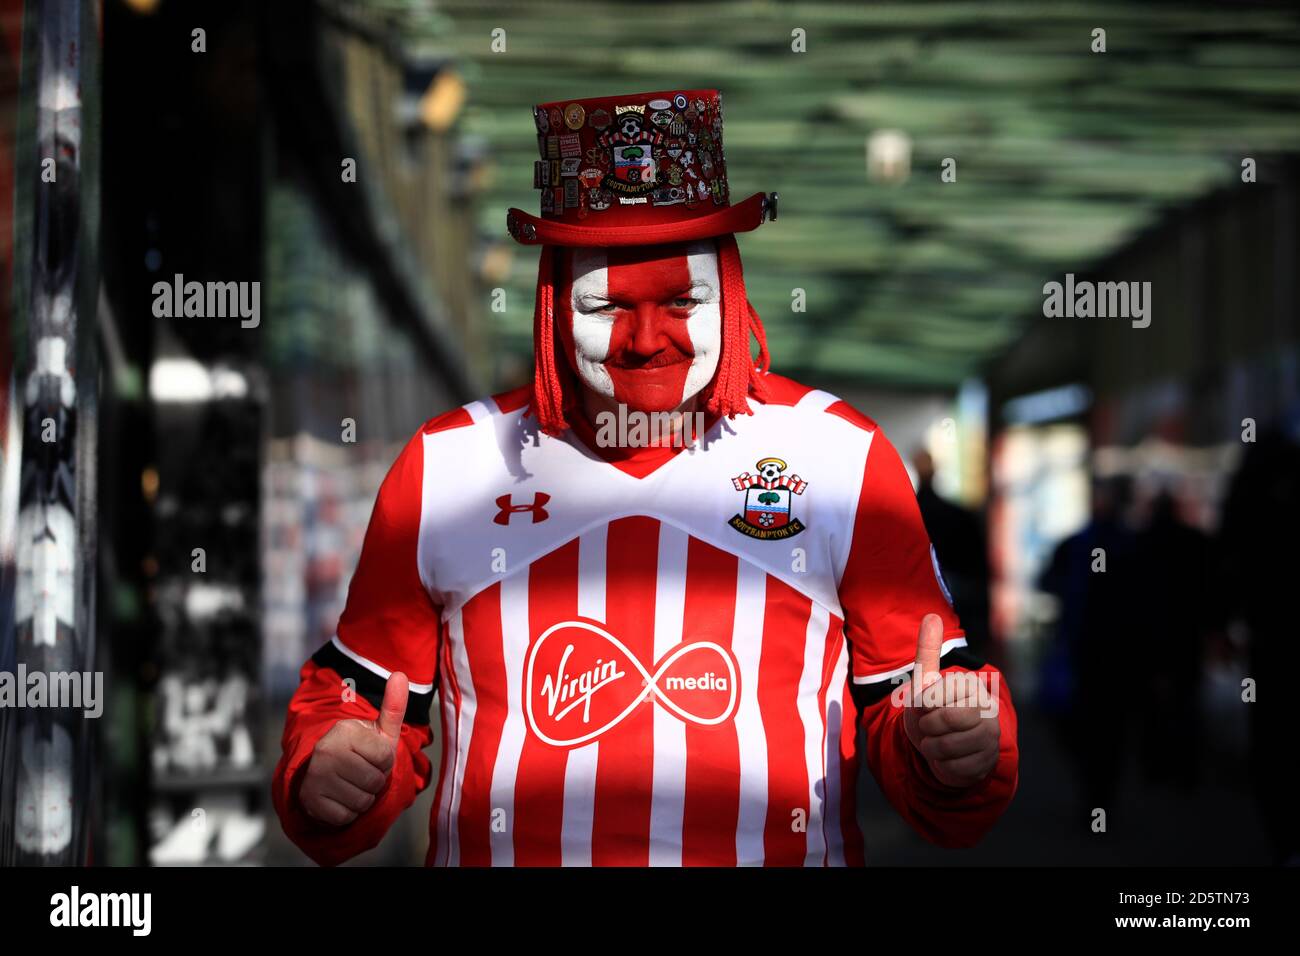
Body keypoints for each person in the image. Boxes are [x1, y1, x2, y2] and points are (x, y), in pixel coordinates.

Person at [271, 89, 1019, 866]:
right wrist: (331, 769)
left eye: (682, 300)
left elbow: (922, 704)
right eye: (607, 306)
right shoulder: (449, 466)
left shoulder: (838, 458)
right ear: (553, 302)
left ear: (729, 291)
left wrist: (956, 746)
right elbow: (358, 699)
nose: (645, 340)